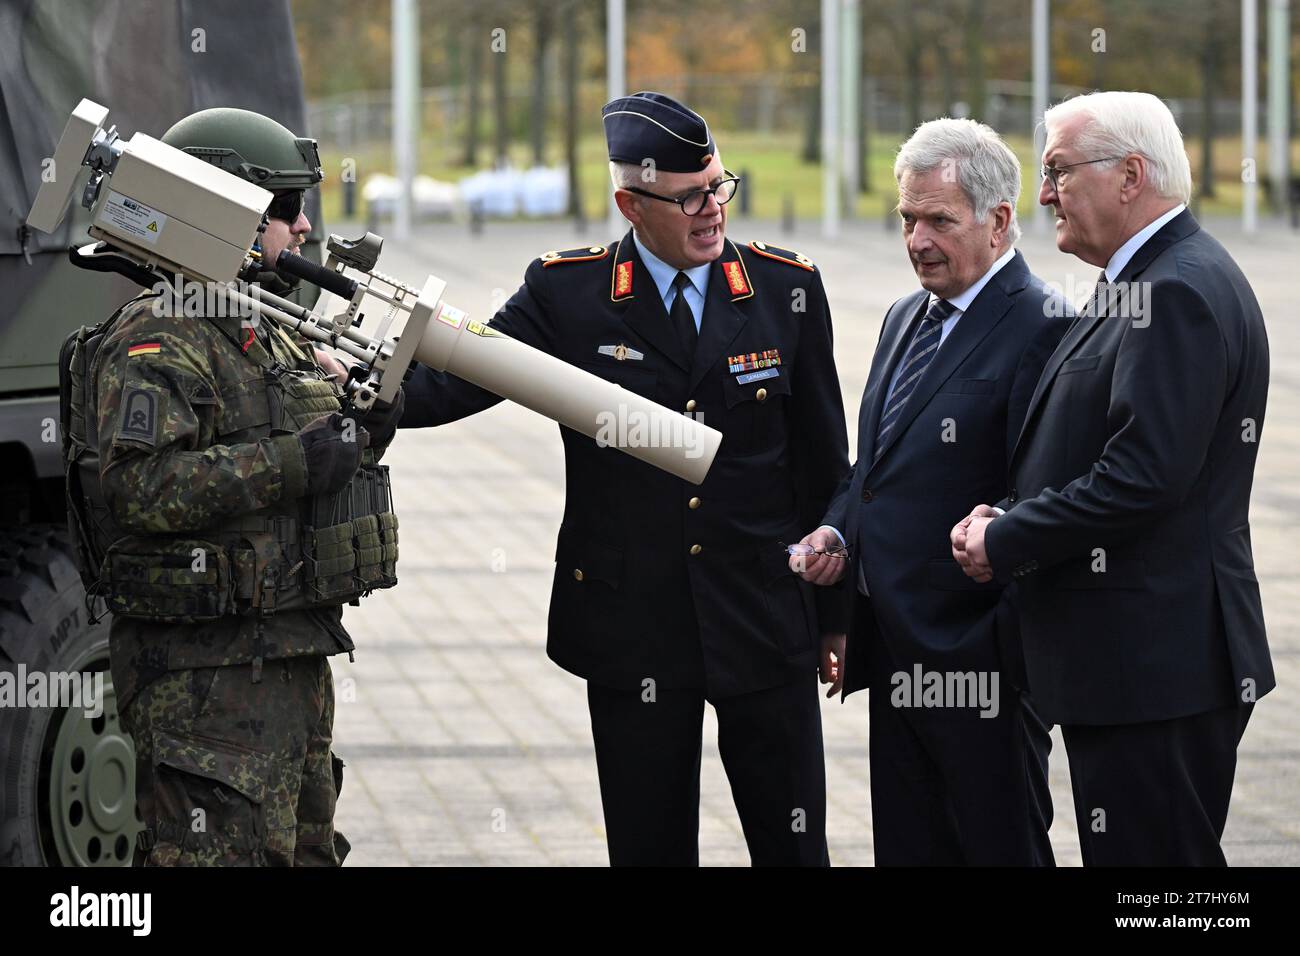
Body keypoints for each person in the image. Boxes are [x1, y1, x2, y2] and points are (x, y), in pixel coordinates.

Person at [402, 92, 849, 866]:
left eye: (719, 186)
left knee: (795, 847)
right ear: (630, 204)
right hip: (634, 628)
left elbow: (823, 464)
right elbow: (458, 382)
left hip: (764, 621)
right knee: (648, 849)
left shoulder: (787, 290)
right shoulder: (566, 293)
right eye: (689, 198)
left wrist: (837, 614)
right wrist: (350, 392)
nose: (712, 211)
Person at [951, 91, 1274, 866]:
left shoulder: (1174, 289)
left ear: (1130, 175)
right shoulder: (1153, 275)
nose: (1046, 193)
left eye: (1059, 170)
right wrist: (1013, 506)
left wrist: (1009, 538)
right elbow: (1106, 446)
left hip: (1156, 666)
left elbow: (1143, 477)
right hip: (1139, 661)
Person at [82, 107, 404, 865]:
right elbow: (137, 487)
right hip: (204, 680)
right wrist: (293, 461)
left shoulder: (265, 326)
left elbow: (321, 447)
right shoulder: (156, 334)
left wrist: (370, 425)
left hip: (288, 657)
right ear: (228, 209)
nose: (301, 229)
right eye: (285, 209)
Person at [792, 118, 1066, 865]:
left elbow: (1039, 500)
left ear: (999, 220)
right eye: (907, 219)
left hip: (983, 668)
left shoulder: (1046, 325)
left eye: (939, 221)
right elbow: (872, 471)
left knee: (998, 850)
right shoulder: (903, 316)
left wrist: (1000, 653)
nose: (917, 240)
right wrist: (838, 536)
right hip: (893, 653)